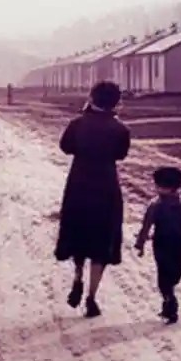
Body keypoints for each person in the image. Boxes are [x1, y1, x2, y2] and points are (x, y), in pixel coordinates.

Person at [54, 80, 130, 318]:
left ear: (91, 98)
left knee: (78, 232)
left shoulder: (77, 124)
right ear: (116, 102)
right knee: (101, 241)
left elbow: (65, 147)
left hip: (79, 183)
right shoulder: (120, 129)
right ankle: (91, 297)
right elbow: (121, 154)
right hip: (106, 184)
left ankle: (77, 275)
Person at [135, 166, 181, 324]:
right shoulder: (156, 205)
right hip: (162, 242)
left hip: (177, 242)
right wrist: (141, 242)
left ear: (174, 188)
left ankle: (169, 297)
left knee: (174, 274)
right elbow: (146, 226)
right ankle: (170, 300)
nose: (159, 189)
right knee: (164, 274)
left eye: (162, 186)